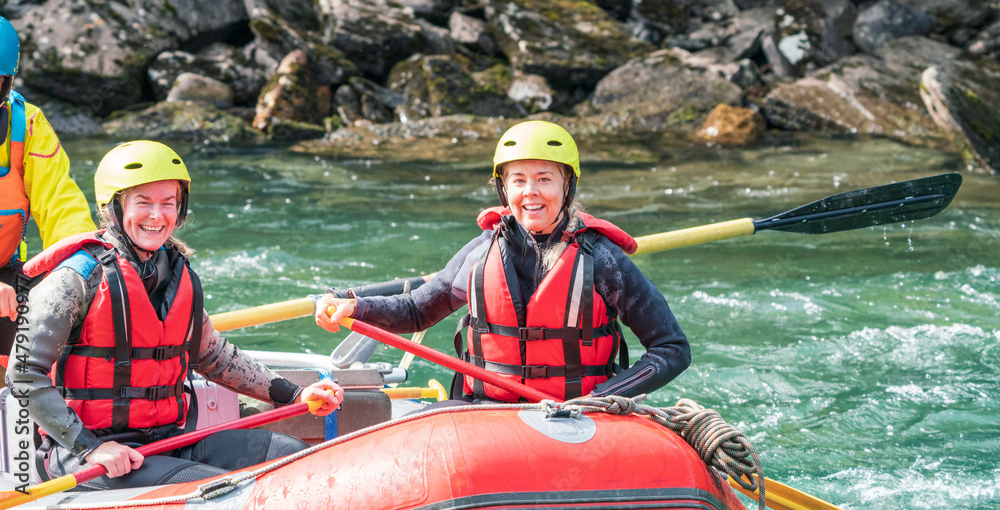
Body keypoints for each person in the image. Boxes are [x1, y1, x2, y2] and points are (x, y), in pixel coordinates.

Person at [8, 140, 343, 490]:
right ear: (113, 209)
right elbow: (22, 375)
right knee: (226, 489)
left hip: (168, 440)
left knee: (293, 455)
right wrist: (91, 448)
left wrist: (293, 394)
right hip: (85, 454)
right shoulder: (74, 279)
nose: (158, 216)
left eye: (168, 203)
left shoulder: (177, 272)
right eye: (144, 203)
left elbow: (212, 354)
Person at [315, 121, 690, 402]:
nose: (531, 193)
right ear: (504, 188)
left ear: (566, 186)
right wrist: (356, 307)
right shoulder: (481, 251)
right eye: (519, 180)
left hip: (577, 417)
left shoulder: (602, 259)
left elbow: (671, 348)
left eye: (545, 179)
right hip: (486, 412)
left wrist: (601, 399)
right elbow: (417, 311)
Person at [0, 15, 96, 357]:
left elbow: (63, 208)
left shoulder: (27, 125)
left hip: (7, 276)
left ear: (7, 82)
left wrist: (82, 271)